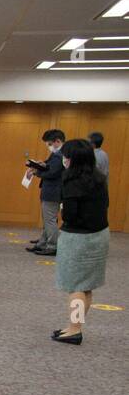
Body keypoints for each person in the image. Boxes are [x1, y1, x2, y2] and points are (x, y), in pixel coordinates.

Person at [51, 139, 110, 345]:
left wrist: (61, 210)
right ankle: (74, 326)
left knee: (75, 286)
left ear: (72, 159)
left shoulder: (70, 180)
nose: (64, 160)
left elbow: (70, 214)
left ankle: (74, 329)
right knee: (87, 286)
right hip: (100, 235)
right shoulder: (100, 178)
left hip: (77, 238)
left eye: (66, 156)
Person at [25, 129, 65, 255]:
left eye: (49, 144)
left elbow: (53, 172)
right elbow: (49, 165)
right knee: (47, 219)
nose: (49, 147)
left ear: (57, 141)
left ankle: (52, 246)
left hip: (53, 191)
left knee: (50, 220)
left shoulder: (60, 155)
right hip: (50, 190)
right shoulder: (57, 154)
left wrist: (37, 171)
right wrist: (41, 164)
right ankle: (42, 243)